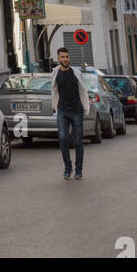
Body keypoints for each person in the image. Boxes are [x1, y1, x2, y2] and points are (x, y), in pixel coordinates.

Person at [51, 47, 90, 180]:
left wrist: (86, 107)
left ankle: (79, 170)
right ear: (58, 59)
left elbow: (83, 90)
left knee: (78, 141)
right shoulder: (55, 73)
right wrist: (55, 106)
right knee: (62, 138)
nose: (65, 59)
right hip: (62, 110)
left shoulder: (76, 73)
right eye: (62, 57)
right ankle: (68, 167)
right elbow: (54, 90)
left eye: (67, 57)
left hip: (77, 111)